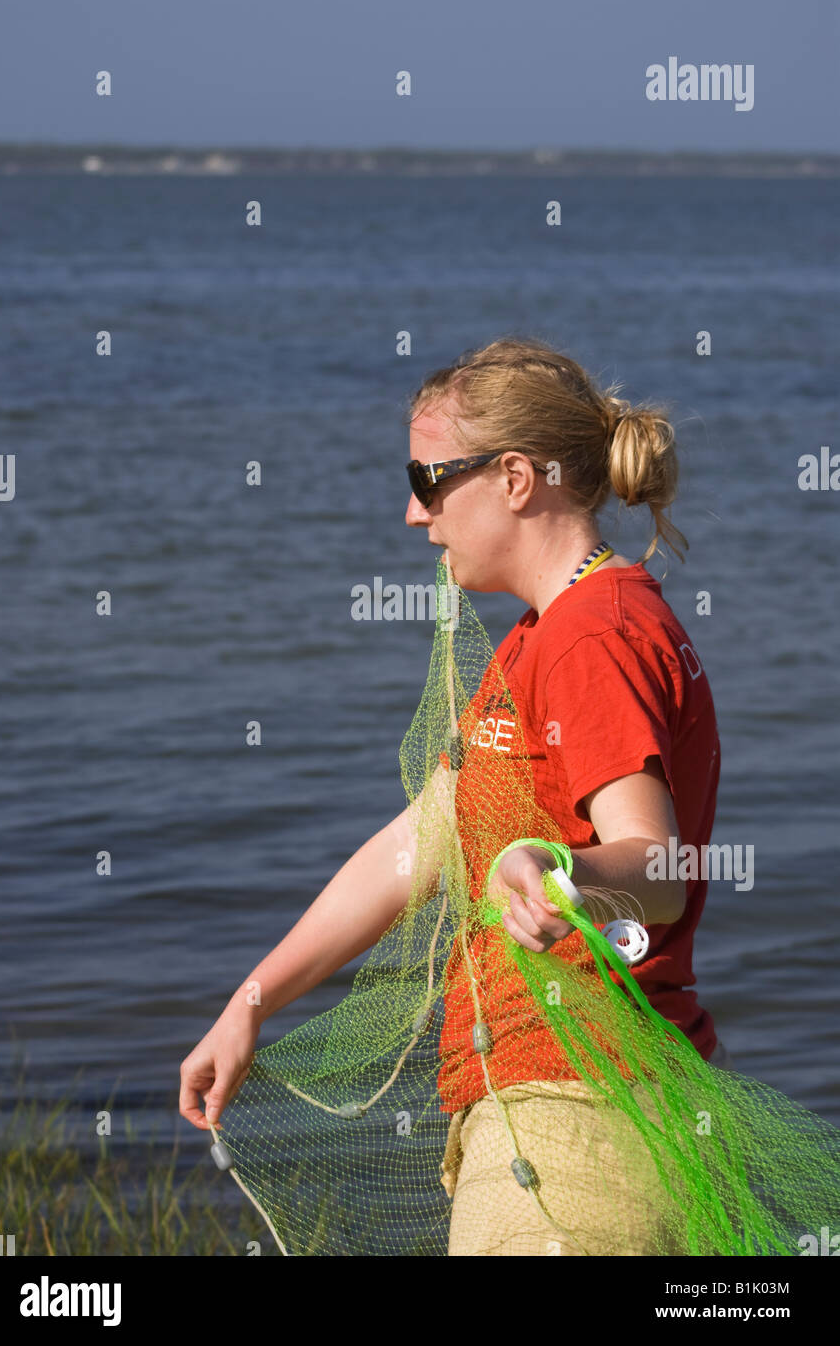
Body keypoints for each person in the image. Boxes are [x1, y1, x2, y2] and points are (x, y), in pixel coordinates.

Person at [180, 336, 731, 1256]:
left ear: (515, 478)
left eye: (427, 479)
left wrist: (561, 867)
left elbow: (659, 867)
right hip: (548, 1118)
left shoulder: (596, 634)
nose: (411, 513)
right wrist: (253, 1001)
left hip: (587, 1130)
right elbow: (422, 844)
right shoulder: (531, 642)